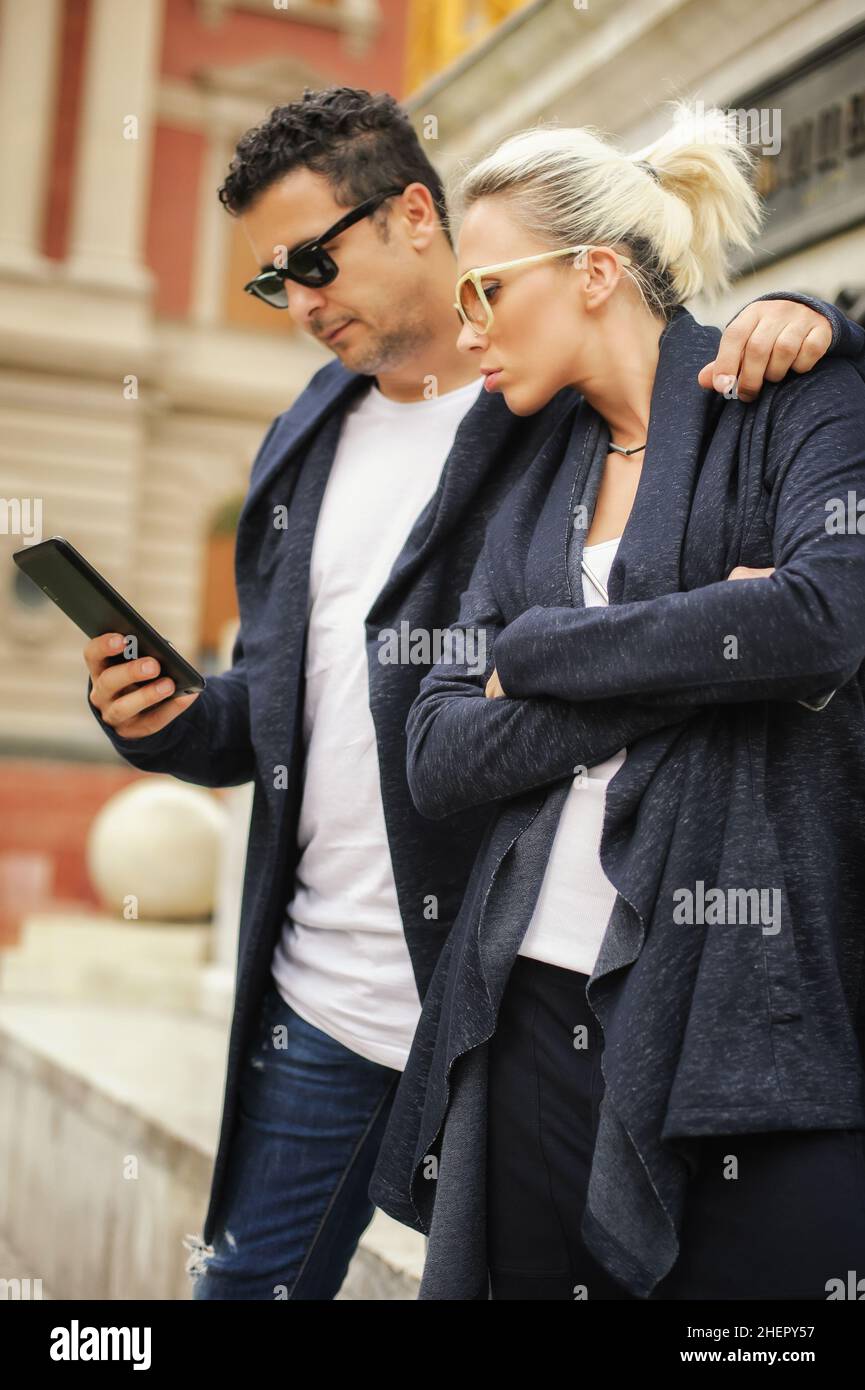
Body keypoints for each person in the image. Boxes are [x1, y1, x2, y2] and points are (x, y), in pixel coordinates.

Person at [82, 87, 855, 1300]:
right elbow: (381, 725)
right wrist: (178, 722)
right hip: (376, 988)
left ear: (415, 217)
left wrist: (812, 318)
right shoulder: (325, 435)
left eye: (311, 262)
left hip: (600, 989)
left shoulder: (557, 413)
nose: (297, 302)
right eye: (271, 282)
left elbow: (807, 609)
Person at [368, 104, 865, 1301]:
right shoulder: (532, 476)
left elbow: (818, 620)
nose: (467, 330)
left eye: (486, 290)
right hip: (524, 1001)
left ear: (593, 273)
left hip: (748, 1007)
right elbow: (437, 748)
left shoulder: (794, 399)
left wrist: (538, 647)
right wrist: (705, 660)